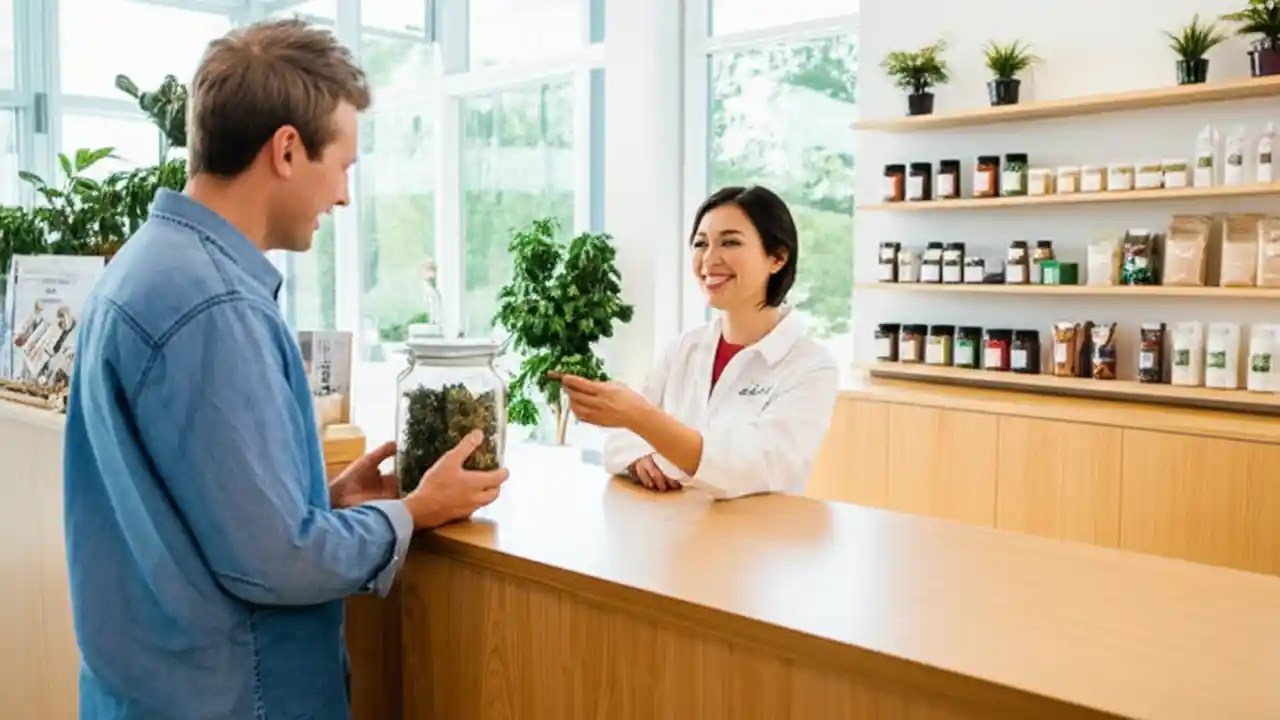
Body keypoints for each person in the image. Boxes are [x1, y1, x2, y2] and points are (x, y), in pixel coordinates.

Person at [61, 19, 508, 720]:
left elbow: (196, 512)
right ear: (288, 150)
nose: (343, 197)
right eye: (344, 167)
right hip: (236, 698)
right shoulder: (211, 303)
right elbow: (275, 561)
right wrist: (413, 512)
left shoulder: (145, 270)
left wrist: (324, 502)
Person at [559, 186, 839, 500]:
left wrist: (641, 418)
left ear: (777, 258)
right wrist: (638, 455)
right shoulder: (683, 349)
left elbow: (753, 467)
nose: (709, 259)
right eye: (700, 243)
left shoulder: (811, 366)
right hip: (675, 531)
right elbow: (619, 443)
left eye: (730, 242)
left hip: (759, 538)